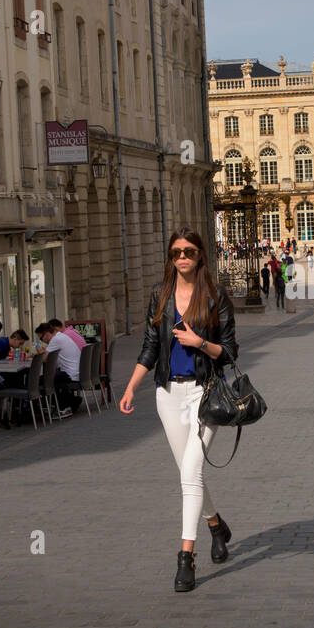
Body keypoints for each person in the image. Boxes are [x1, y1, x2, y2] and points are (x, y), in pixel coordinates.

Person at [119, 227, 237, 593]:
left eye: (188, 251)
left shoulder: (216, 296)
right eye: (176, 253)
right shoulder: (161, 295)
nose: (182, 257)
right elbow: (150, 346)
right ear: (170, 258)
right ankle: (215, 524)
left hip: (206, 393)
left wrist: (200, 342)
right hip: (167, 395)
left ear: (200, 255)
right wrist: (131, 385)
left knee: (190, 471)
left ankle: (186, 557)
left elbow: (230, 352)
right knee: (190, 474)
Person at [36, 321, 83, 416]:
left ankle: (60, 405)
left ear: (47, 334)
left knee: (38, 380)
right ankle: (70, 401)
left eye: (41, 338)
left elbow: (44, 359)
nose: (42, 341)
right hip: (76, 372)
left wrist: (39, 350)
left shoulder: (55, 340)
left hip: (70, 375)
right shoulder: (62, 336)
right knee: (49, 377)